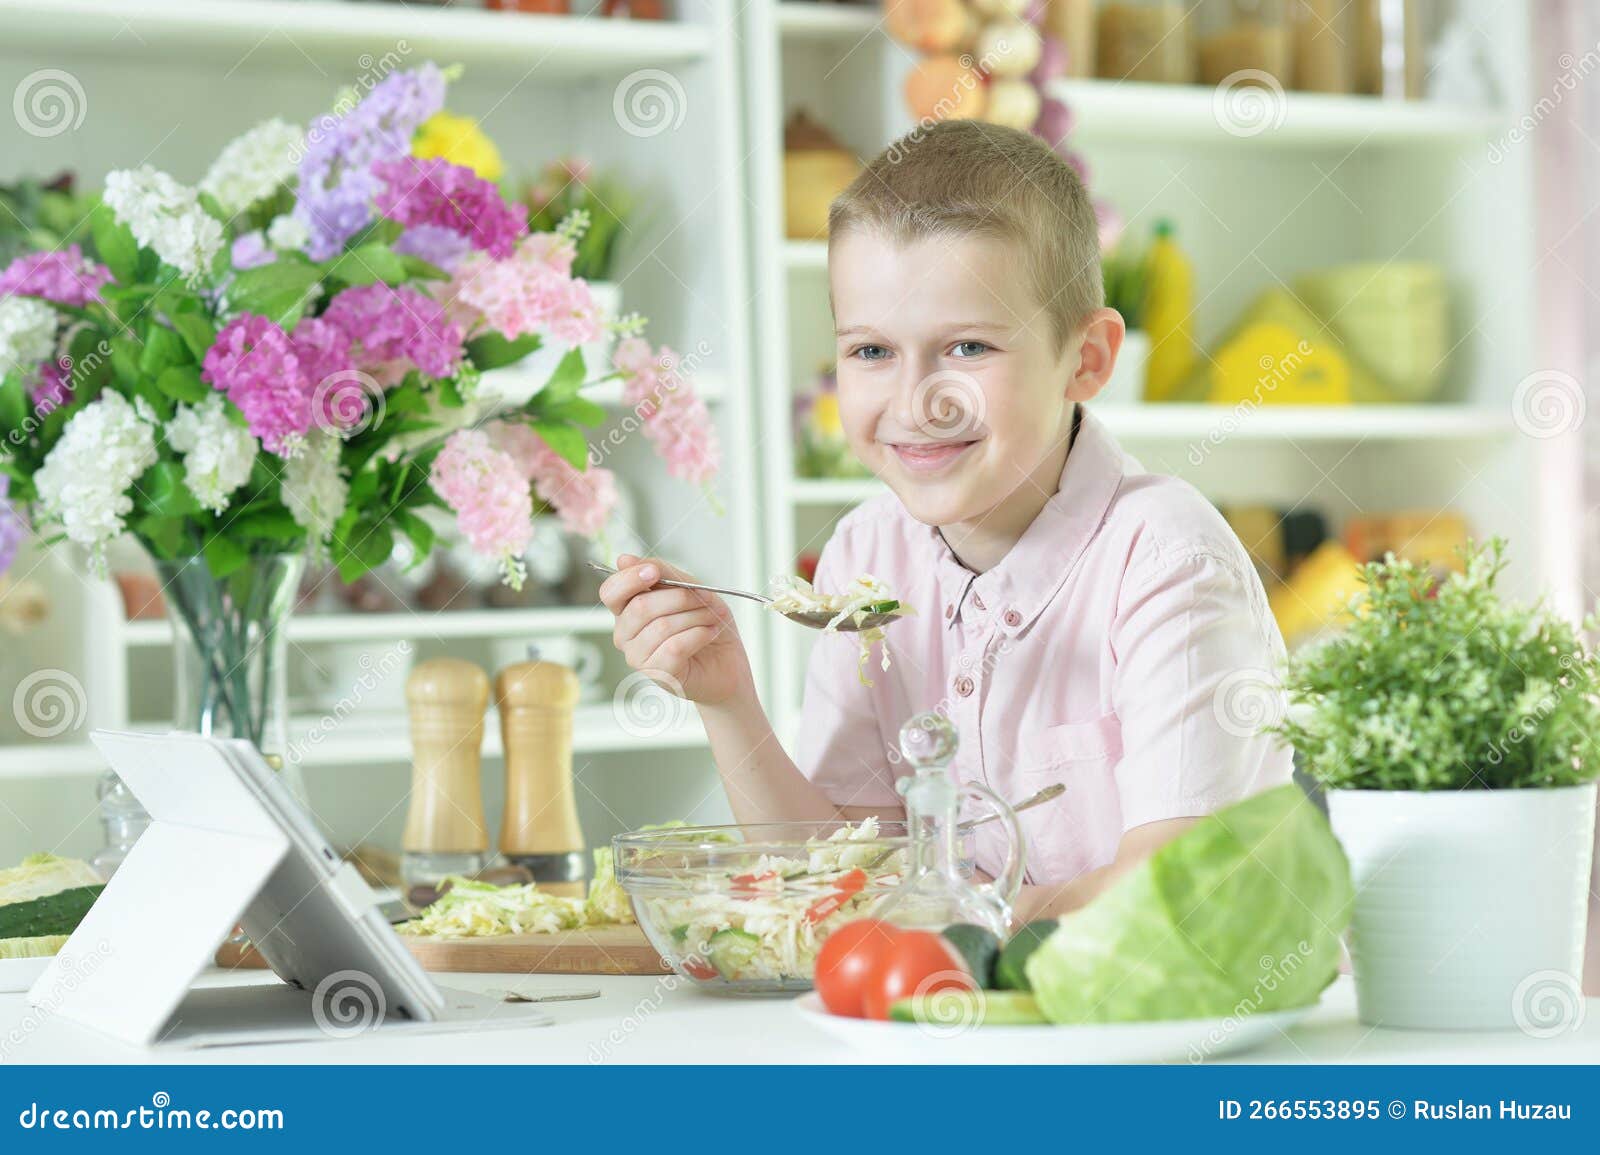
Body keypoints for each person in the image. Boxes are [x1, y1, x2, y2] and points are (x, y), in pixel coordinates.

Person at [599, 119, 1291, 919]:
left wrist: (941, 912)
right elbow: (834, 874)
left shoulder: (1165, 554)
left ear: (1088, 359)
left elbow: (1171, 888)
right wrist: (726, 700)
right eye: (870, 352)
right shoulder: (867, 552)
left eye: (967, 348)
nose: (915, 402)